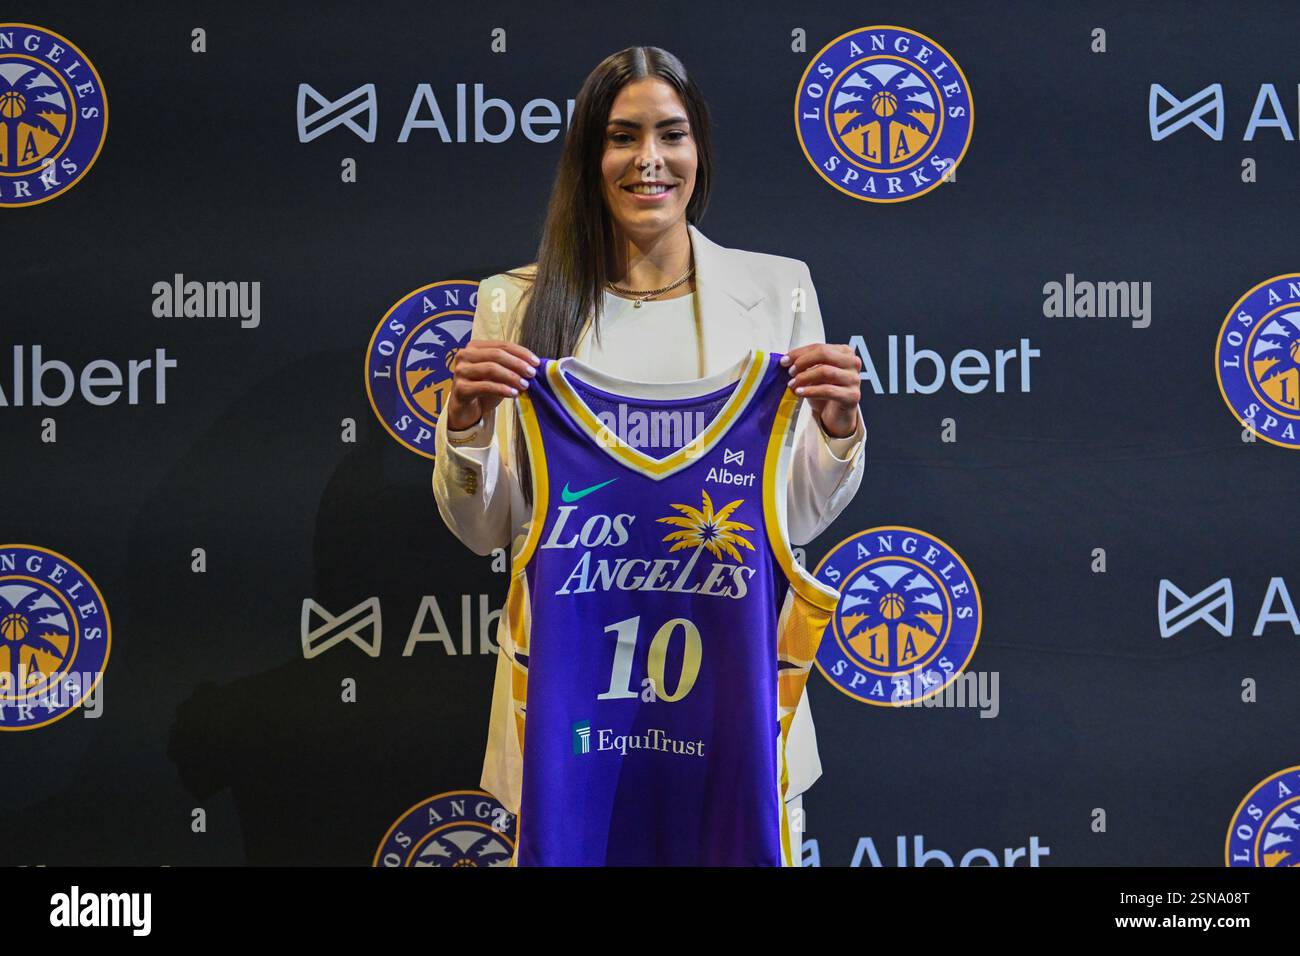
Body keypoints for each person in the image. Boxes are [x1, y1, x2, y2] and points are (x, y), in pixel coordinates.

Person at [432, 46, 865, 864]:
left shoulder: (781, 291)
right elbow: (487, 532)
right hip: (567, 728)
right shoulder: (514, 303)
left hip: (738, 723)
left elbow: (795, 518)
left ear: (699, 149)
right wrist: (465, 425)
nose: (649, 160)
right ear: (590, 157)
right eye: (622, 136)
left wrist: (838, 429)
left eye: (671, 134)